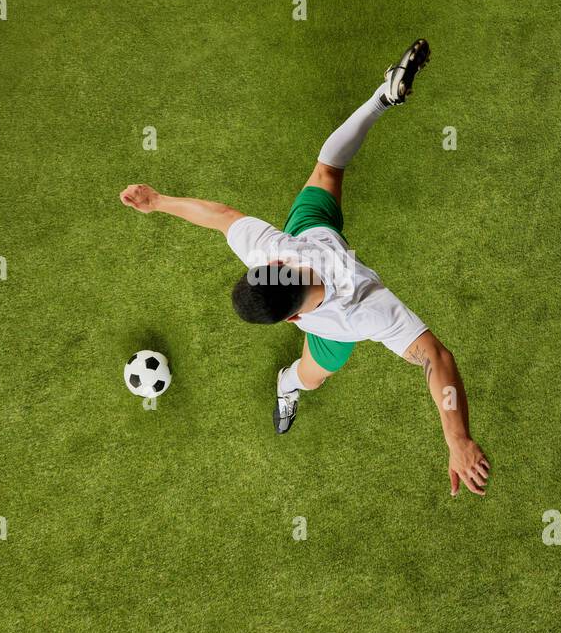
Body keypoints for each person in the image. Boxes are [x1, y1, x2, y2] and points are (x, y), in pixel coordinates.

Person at [120, 39, 490, 496]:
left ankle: (286, 386)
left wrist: (458, 441)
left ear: (294, 320)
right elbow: (221, 217)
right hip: (314, 234)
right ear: (276, 264)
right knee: (329, 167)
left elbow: (437, 359)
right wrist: (157, 200)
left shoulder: (359, 314)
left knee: (311, 377)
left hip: (331, 310)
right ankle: (382, 98)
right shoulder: (269, 250)